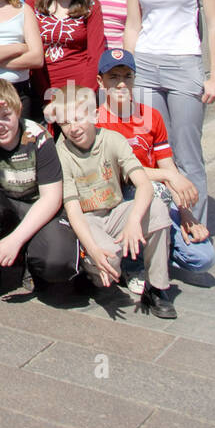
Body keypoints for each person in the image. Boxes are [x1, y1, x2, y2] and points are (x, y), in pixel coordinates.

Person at [123, 0, 215, 228]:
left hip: (184, 63)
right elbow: (133, 25)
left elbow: (214, 23)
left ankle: (195, 226)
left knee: (186, 153)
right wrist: (128, 72)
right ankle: (162, 230)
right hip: (147, 65)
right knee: (150, 151)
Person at [96, 48, 215, 287]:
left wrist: (185, 213)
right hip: (121, 199)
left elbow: (167, 164)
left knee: (203, 258)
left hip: (158, 201)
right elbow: (122, 172)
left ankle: (160, 248)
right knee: (151, 190)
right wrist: (168, 176)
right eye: (113, 77)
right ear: (100, 82)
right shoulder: (97, 121)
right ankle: (134, 265)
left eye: (127, 77)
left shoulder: (151, 116)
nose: (121, 84)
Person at [54, 86, 176, 319]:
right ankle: (90, 271)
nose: (74, 128)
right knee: (107, 266)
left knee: (158, 209)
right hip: (89, 219)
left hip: (115, 210)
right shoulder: (62, 152)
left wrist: (133, 220)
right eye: (66, 123)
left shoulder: (113, 139)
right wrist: (93, 249)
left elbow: (143, 184)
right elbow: (73, 209)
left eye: (79, 118)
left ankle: (156, 287)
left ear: (93, 115)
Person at [0, 78, 77, 310]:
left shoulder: (38, 136)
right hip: (0, 209)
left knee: (58, 264)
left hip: (36, 209)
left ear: (18, 111)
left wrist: (16, 240)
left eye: (5, 116)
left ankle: (30, 261)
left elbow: (51, 197)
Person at [26, 0, 106, 119]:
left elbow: (95, 54)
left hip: (79, 89)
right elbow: (29, 49)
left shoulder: (91, 6)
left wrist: (83, 98)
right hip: (42, 87)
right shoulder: (33, 2)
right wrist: (48, 98)